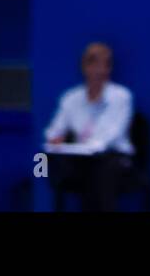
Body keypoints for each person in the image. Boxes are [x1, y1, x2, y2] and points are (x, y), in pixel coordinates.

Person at [43, 42, 135, 211]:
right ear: (84, 67)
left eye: (106, 65)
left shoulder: (121, 97)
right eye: (94, 64)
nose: (100, 70)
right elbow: (54, 130)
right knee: (55, 163)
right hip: (82, 159)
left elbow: (110, 136)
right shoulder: (71, 98)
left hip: (115, 158)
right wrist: (55, 138)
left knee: (103, 170)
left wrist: (91, 147)